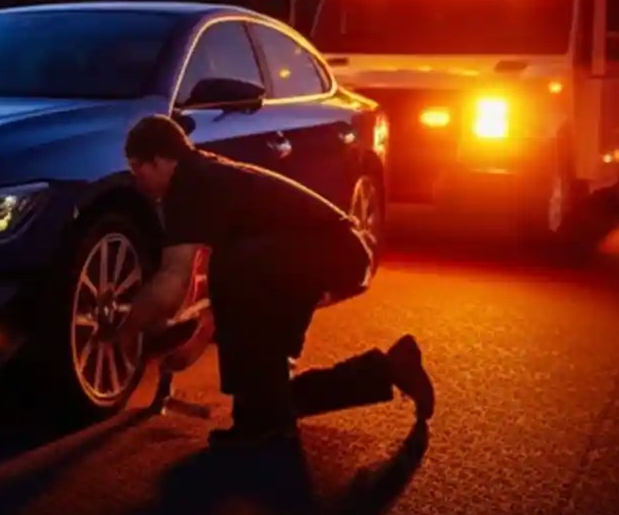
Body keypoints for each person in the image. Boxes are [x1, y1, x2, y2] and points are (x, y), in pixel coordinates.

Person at [116, 114, 434, 450]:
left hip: (325, 253)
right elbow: (215, 289)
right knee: (269, 399)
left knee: (234, 270)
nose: (138, 181)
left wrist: (125, 331)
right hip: (320, 253)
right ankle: (387, 370)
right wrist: (197, 340)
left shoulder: (190, 185)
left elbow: (173, 278)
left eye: (139, 169)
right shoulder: (203, 175)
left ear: (162, 160)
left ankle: (261, 424)